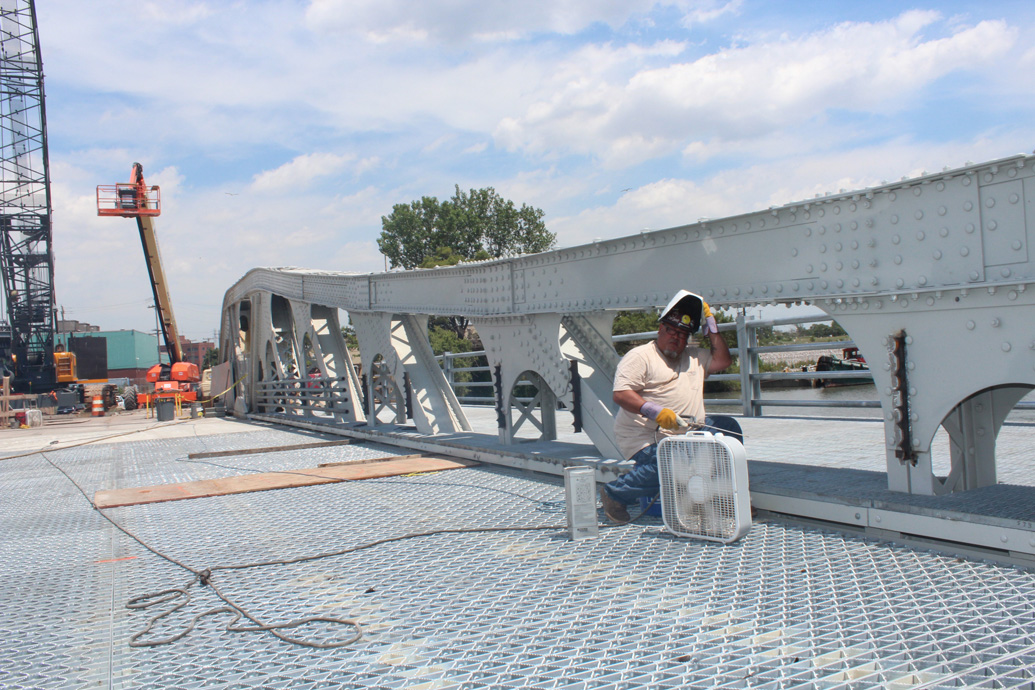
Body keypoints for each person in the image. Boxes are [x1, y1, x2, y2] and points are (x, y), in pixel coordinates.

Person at [599, 290, 741, 522]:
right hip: (646, 436)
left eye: (682, 334)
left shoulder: (695, 356)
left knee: (728, 429)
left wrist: (712, 326)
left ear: (688, 339)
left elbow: (723, 360)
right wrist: (655, 411)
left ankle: (721, 497)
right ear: (660, 330)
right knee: (673, 464)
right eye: (671, 331)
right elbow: (621, 394)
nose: (675, 337)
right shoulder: (640, 356)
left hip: (688, 432)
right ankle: (615, 493)